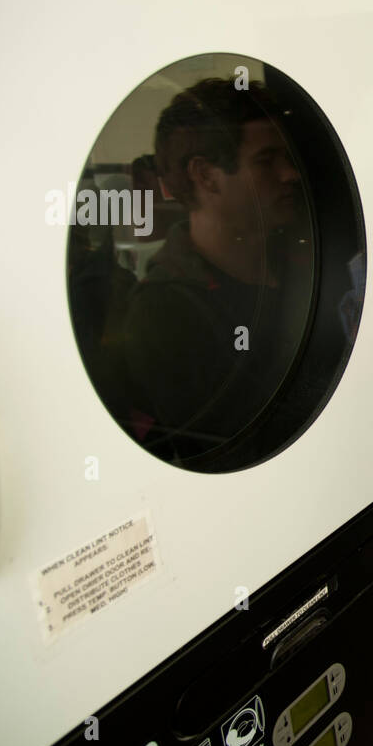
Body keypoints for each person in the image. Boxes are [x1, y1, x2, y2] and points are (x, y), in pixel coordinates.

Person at [123, 78, 313, 461]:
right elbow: (234, 453)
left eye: (288, 158)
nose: (290, 174)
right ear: (205, 175)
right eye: (265, 161)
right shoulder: (165, 312)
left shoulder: (308, 259)